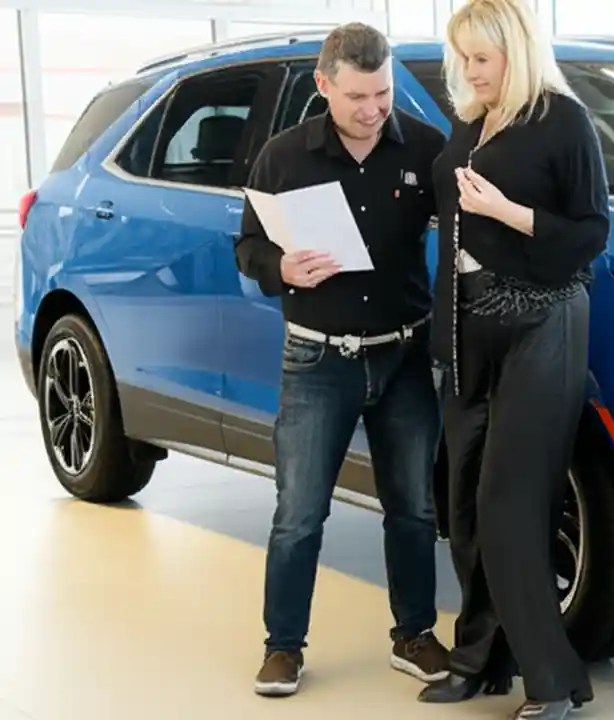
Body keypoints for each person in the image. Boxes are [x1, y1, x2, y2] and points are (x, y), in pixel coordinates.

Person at [234, 22, 450, 697]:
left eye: (382, 92)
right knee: (299, 513)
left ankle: (414, 634)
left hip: (405, 357)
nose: (372, 108)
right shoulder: (283, 157)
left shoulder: (425, 147)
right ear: (324, 85)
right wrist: (283, 267)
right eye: (357, 95)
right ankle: (283, 647)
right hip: (316, 361)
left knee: (414, 507)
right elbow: (246, 249)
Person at [415, 1, 610, 718]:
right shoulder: (469, 121)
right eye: (462, 57)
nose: (468, 71)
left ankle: (554, 683)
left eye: (481, 58)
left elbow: (591, 234)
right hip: (468, 327)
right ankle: (477, 660)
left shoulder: (562, 120)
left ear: (515, 52)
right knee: (463, 506)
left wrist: (507, 212)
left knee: (509, 507)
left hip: (542, 321)